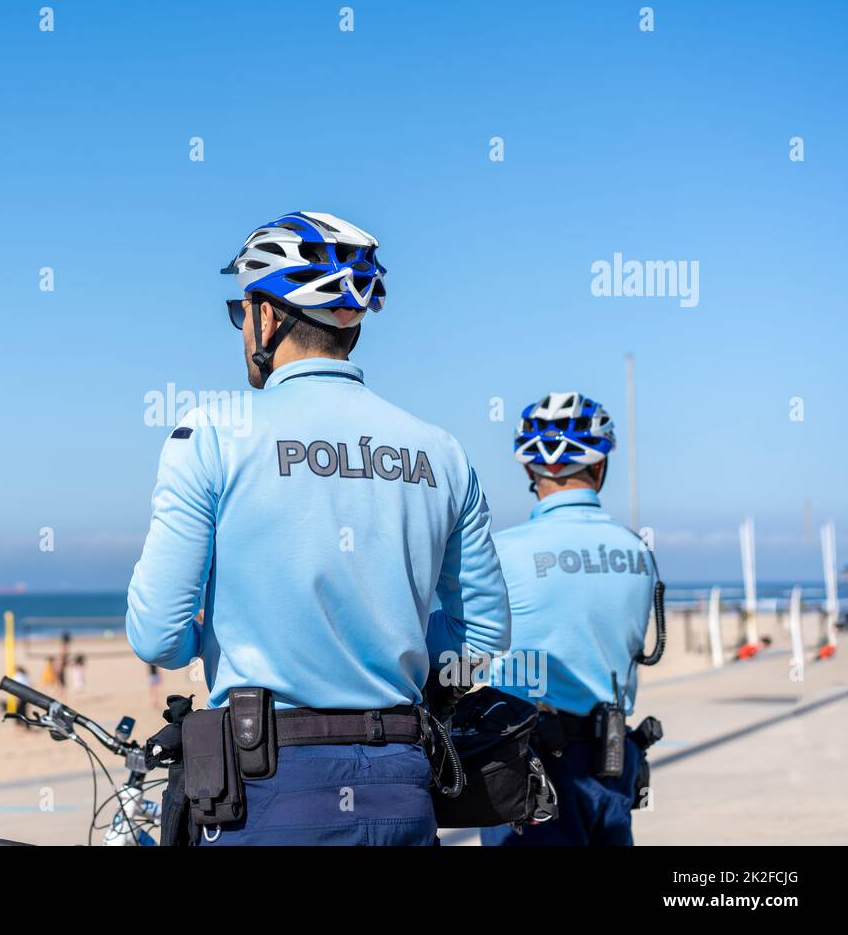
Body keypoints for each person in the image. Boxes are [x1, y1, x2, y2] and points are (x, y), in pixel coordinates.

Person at [126, 211, 511, 846]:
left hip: (267, 784)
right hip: (402, 783)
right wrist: (398, 641)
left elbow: (159, 636)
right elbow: (483, 634)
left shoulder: (212, 435)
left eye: (240, 311)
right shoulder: (441, 452)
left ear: (266, 317)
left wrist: (222, 631)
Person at [482, 392, 658, 847]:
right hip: (611, 759)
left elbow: (458, 642)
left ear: (529, 470)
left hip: (529, 770)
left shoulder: (504, 551)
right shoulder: (638, 551)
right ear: (600, 467)